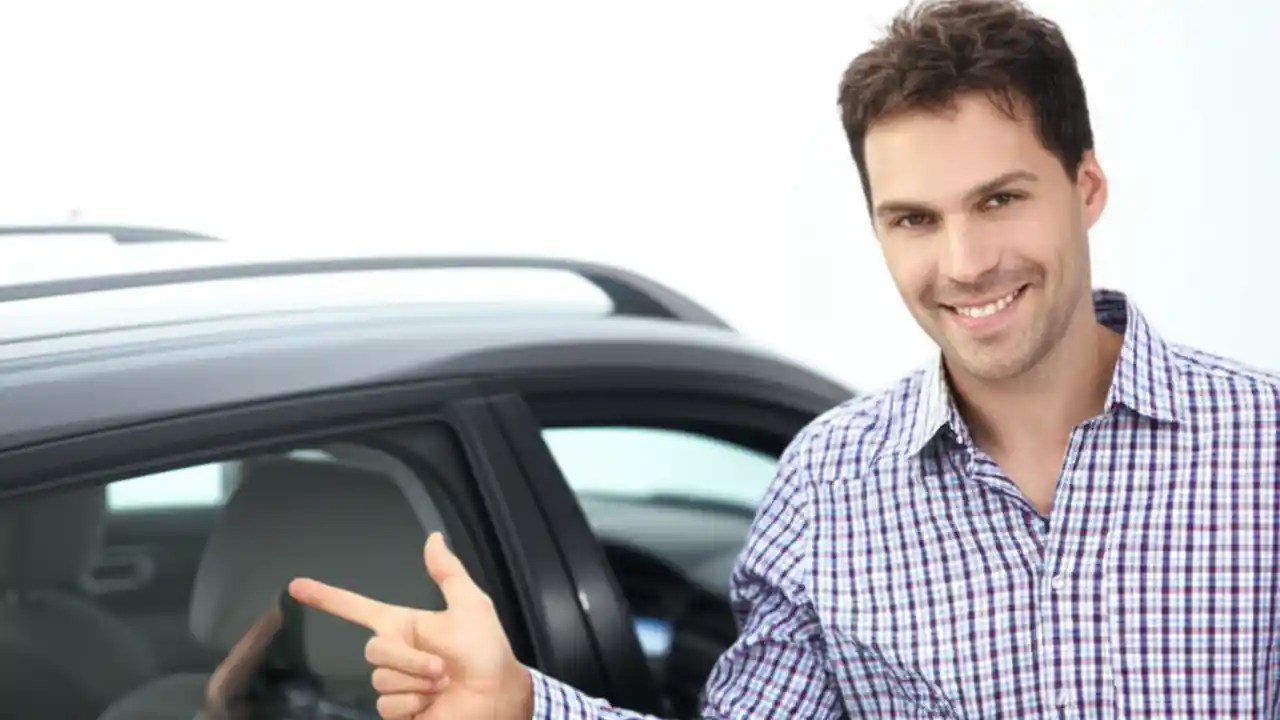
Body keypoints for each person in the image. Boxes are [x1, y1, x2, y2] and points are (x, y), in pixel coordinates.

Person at [289, 0, 1280, 717]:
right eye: (913, 219)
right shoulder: (826, 488)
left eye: (999, 199)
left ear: (1086, 186)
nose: (964, 262)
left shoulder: (1262, 447)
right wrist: (522, 706)